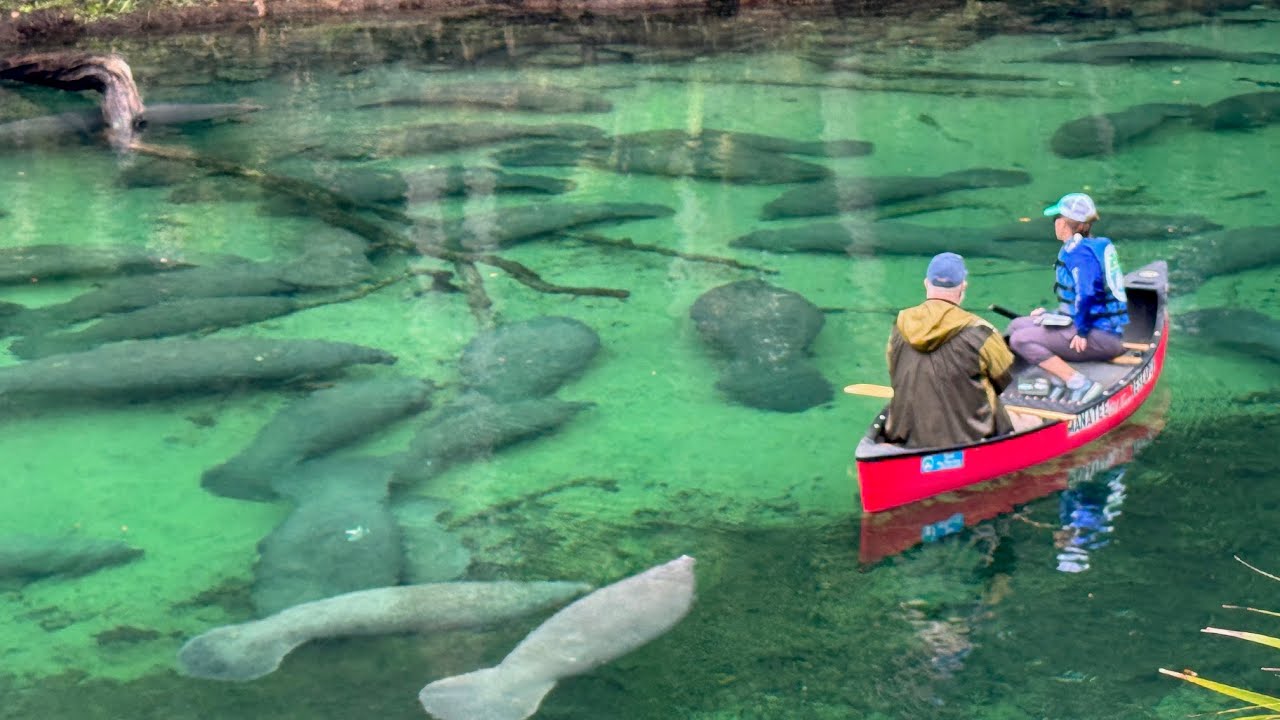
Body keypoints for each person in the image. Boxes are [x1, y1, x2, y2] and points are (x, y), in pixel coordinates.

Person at [883, 252, 1017, 449]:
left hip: (904, 433)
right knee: (1019, 417)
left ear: (926, 284)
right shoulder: (982, 333)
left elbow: (892, 369)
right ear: (963, 287)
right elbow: (1004, 379)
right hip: (971, 435)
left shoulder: (900, 324)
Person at [1007, 193, 1129, 405]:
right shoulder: (1091, 245)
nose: (1054, 223)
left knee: (1020, 340)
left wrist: (1081, 332)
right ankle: (1058, 375)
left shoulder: (1080, 255)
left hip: (1100, 337)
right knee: (1017, 325)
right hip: (1095, 327)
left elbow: (1087, 294)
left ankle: (1079, 382)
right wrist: (1050, 316)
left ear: (1064, 224)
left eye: (1056, 219)